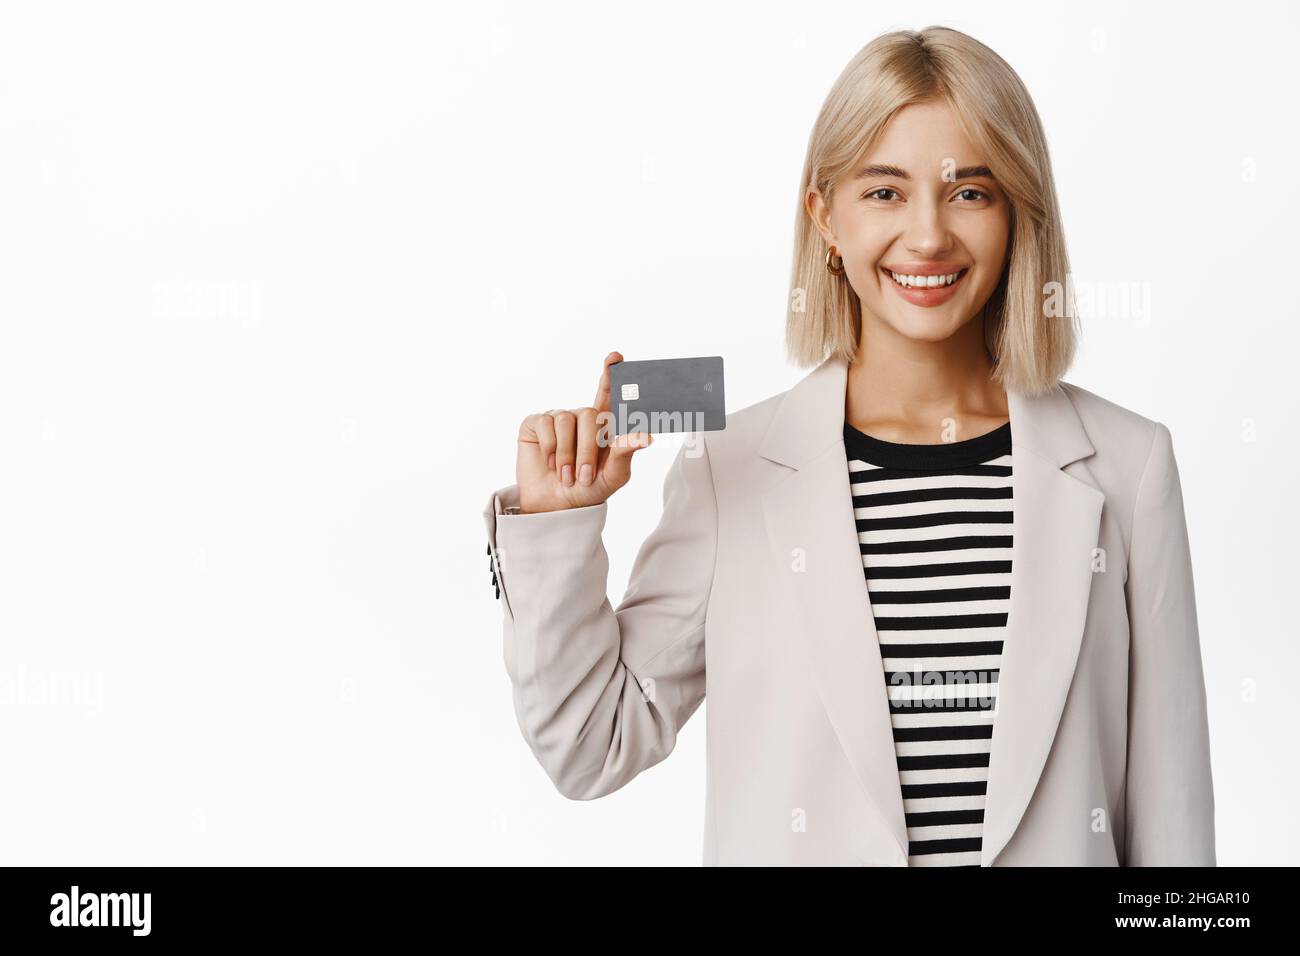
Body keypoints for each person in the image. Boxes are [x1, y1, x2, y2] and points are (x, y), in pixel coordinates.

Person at [482, 25, 1215, 866]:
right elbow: (589, 747)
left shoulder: (1128, 467)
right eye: (885, 192)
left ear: (1019, 213)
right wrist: (558, 527)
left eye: (970, 192)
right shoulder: (730, 472)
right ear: (825, 216)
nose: (929, 236)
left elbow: (1174, 829)